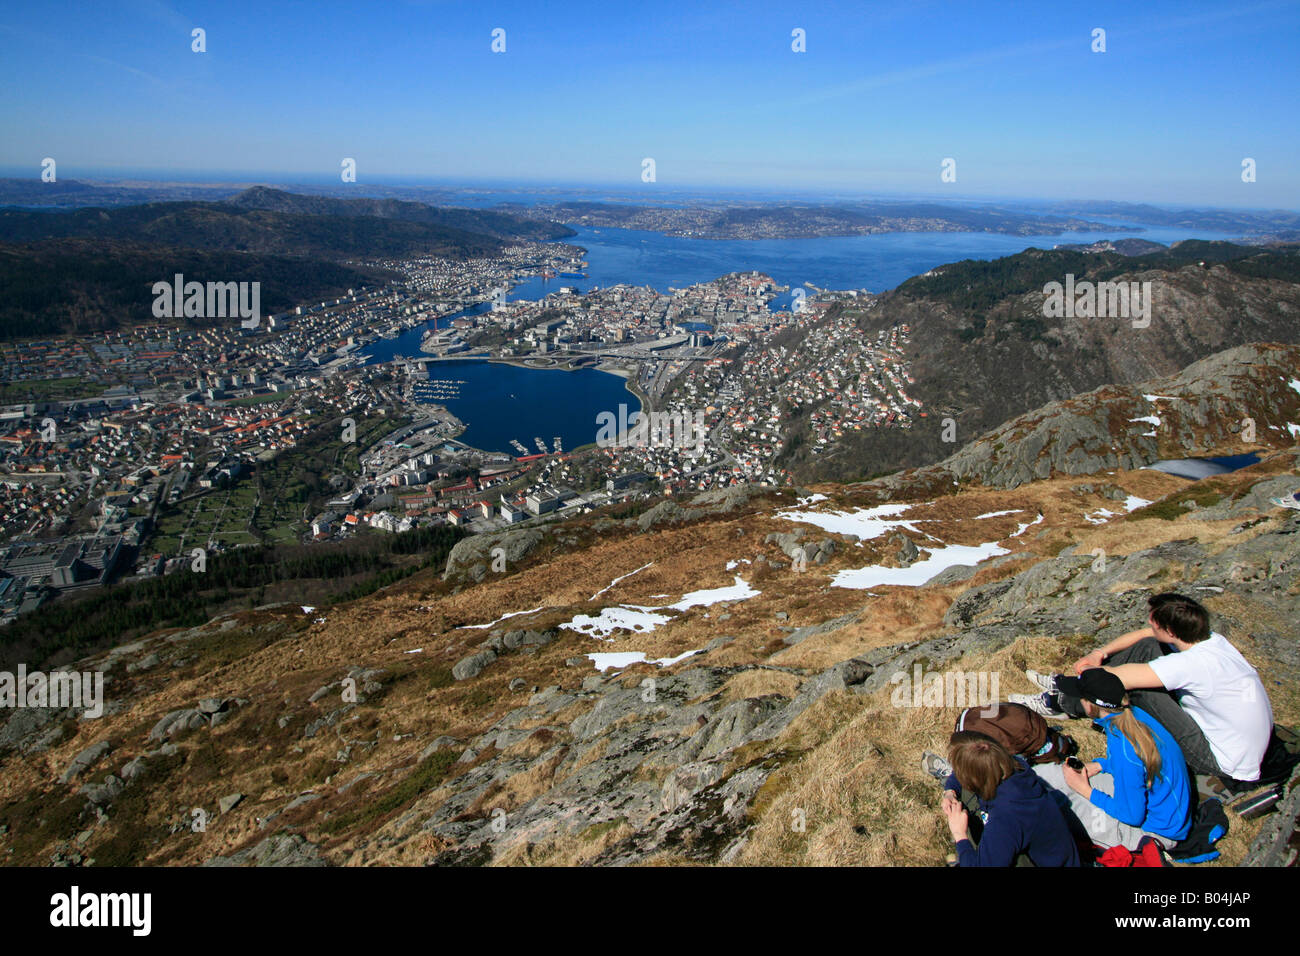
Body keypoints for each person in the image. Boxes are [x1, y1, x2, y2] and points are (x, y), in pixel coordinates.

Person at [1010, 592, 1273, 784]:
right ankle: (1063, 687)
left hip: (1219, 760)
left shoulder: (1189, 664)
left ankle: (1060, 703)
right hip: (1236, 743)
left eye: (1155, 624)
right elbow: (1145, 637)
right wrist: (1098, 653)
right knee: (1148, 648)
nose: (1150, 627)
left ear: (1170, 630)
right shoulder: (1211, 640)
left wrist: (1089, 672)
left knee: (1136, 691)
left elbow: (1113, 680)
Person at [1042, 669, 1192, 847]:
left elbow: (1132, 816)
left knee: (1070, 811)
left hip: (1159, 831)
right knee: (1063, 784)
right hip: (1167, 809)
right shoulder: (1133, 715)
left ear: (1090, 705)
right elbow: (1140, 766)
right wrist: (1101, 765)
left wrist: (1085, 790)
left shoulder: (1125, 748)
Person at [938, 731, 1081, 867]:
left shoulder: (1007, 817)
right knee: (967, 797)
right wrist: (950, 791)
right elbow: (964, 773)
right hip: (1044, 849)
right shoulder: (1011, 765)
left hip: (1036, 860)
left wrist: (959, 835)